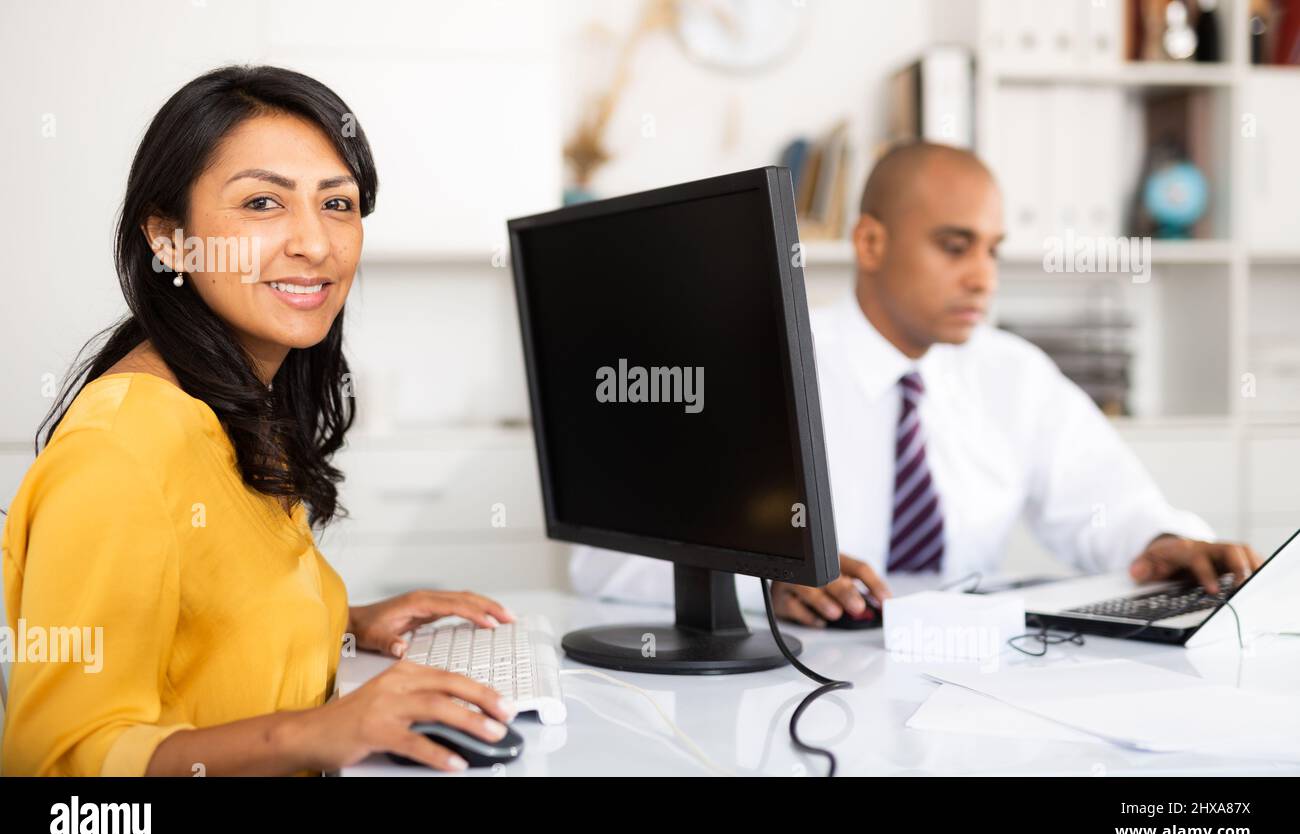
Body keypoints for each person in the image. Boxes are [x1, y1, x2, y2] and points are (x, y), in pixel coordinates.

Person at [2, 65, 515, 776]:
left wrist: (347, 623)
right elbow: (57, 773)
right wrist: (312, 734)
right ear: (169, 239)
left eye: (338, 203)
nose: (315, 243)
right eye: (264, 202)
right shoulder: (118, 452)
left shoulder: (233, 407)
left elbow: (209, 620)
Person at [572, 141, 1261, 626]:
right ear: (870, 243)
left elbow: (1108, 505)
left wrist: (1162, 540)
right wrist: (763, 582)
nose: (983, 277)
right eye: (954, 246)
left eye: (992, 250)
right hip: (791, 690)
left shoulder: (1012, 374)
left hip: (963, 680)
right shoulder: (753, 361)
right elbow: (601, 561)